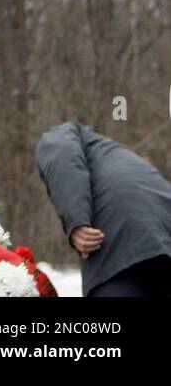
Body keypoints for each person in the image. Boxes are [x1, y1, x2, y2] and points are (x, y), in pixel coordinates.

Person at [36, 120, 171, 296]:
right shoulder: (126, 160)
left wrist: (76, 221)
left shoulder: (63, 133)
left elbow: (61, 153)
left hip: (123, 243)